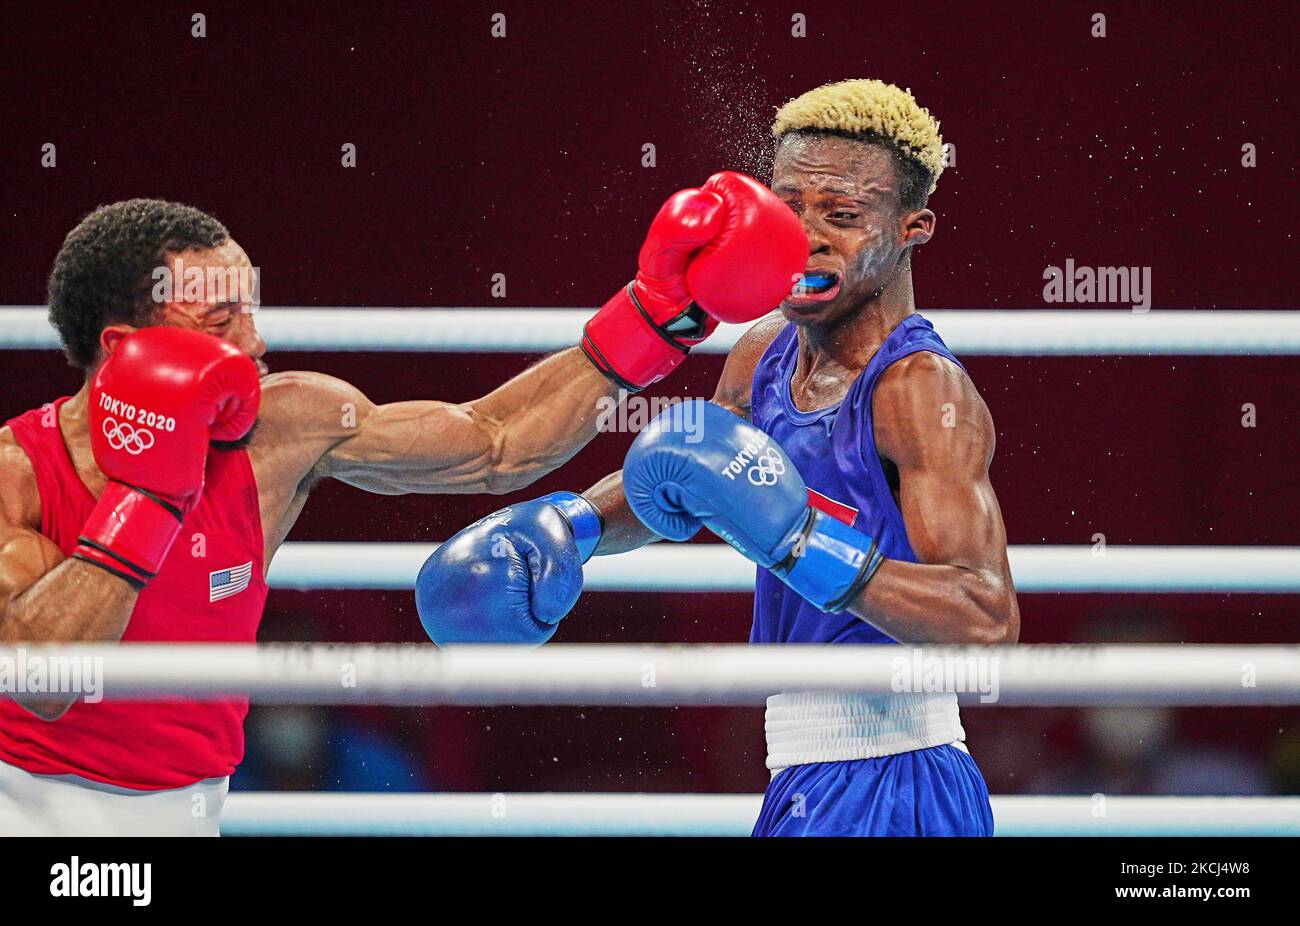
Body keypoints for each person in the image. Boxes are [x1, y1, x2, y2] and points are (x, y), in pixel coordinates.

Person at [0, 178, 806, 835]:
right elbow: (43, 681)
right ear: (124, 351)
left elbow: (494, 442)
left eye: (249, 308)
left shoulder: (284, 427)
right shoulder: (18, 473)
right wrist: (149, 494)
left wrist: (655, 316)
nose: (253, 345)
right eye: (220, 321)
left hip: (187, 812)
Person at [418, 79, 1020, 836]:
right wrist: (573, 528)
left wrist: (802, 542)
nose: (807, 237)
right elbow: (687, 476)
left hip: (899, 774)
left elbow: (985, 617)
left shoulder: (917, 388)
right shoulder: (764, 352)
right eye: (788, 208)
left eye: (842, 216)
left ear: (912, 227)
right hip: (805, 768)